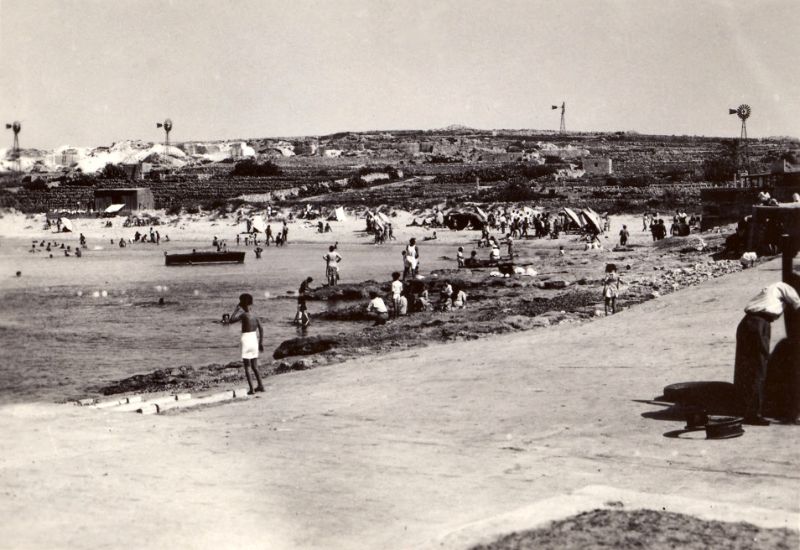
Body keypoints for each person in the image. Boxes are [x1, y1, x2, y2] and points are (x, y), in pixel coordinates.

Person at [734, 282, 800, 425]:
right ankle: (754, 414)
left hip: (746, 323)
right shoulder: (784, 288)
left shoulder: (769, 292)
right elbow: (797, 304)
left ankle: (747, 409)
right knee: (759, 370)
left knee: (747, 368)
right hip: (759, 323)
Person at [227, 293, 265, 395]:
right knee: (255, 366)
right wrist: (261, 342)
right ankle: (261, 385)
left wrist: (236, 310)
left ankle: (252, 389)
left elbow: (231, 321)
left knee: (247, 367)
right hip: (254, 339)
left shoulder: (243, 315)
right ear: (251, 304)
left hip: (246, 339)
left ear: (242, 305)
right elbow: (261, 328)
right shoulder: (255, 316)